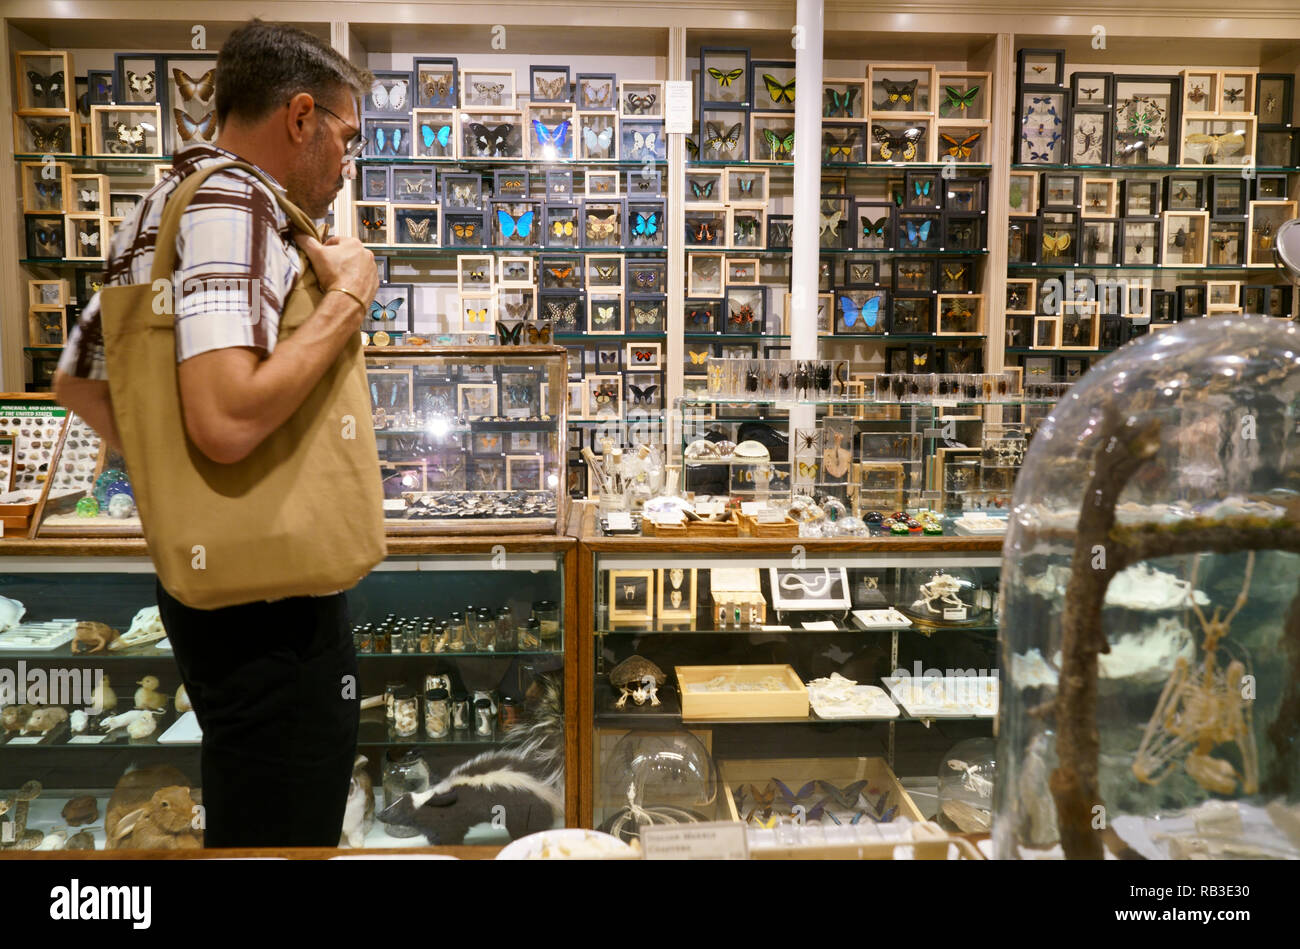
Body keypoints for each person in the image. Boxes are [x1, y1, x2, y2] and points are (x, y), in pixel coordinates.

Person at [54, 19, 380, 848]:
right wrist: (347, 298)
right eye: (346, 135)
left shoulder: (157, 206)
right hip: (273, 596)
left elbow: (80, 382)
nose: (348, 162)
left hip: (208, 590)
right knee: (285, 826)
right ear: (300, 117)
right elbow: (227, 415)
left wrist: (184, 484)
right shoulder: (239, 200)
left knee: (248, 794)